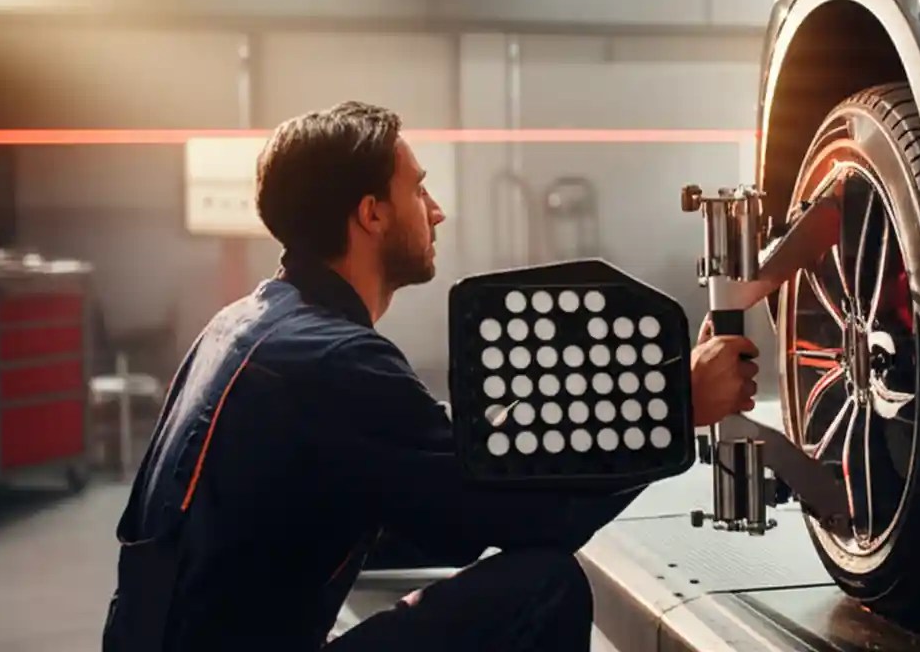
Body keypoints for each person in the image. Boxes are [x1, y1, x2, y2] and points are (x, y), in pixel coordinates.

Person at [102, 101, 760, 652]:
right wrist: (675, 405)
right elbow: (518, 521)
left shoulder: (246, 326)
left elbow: (424, 497)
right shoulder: (335, 361)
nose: (436, 209)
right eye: (417, 188)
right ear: (372, 214)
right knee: (543, 584)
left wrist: (514, 435)